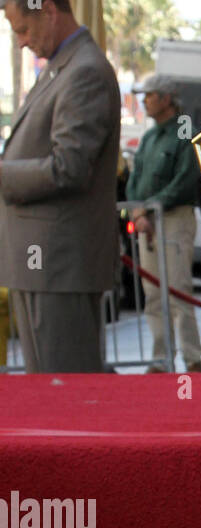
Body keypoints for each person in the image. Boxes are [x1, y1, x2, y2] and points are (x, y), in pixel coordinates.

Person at [0, 0, 119, 373]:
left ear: (48, 10)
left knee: (66, 400)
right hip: (44, 264)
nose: (20, 42)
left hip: (57, 266)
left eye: (23, 30)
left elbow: (68, 166)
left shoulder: (84, 70)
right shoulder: (64, 67)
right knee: (51, 398)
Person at [127, 73, 201, 374]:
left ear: (166, 98)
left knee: (178, 291)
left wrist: (148, 208)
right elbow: (134, 180)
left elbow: (185, 181)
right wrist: (137, 213)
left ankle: (192, 359)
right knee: (153, 294)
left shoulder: (185, 131)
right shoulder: (149, 136)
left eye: (149, 95)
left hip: (173, 219)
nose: (144, 101)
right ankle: (161, 358)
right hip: (148, 221)